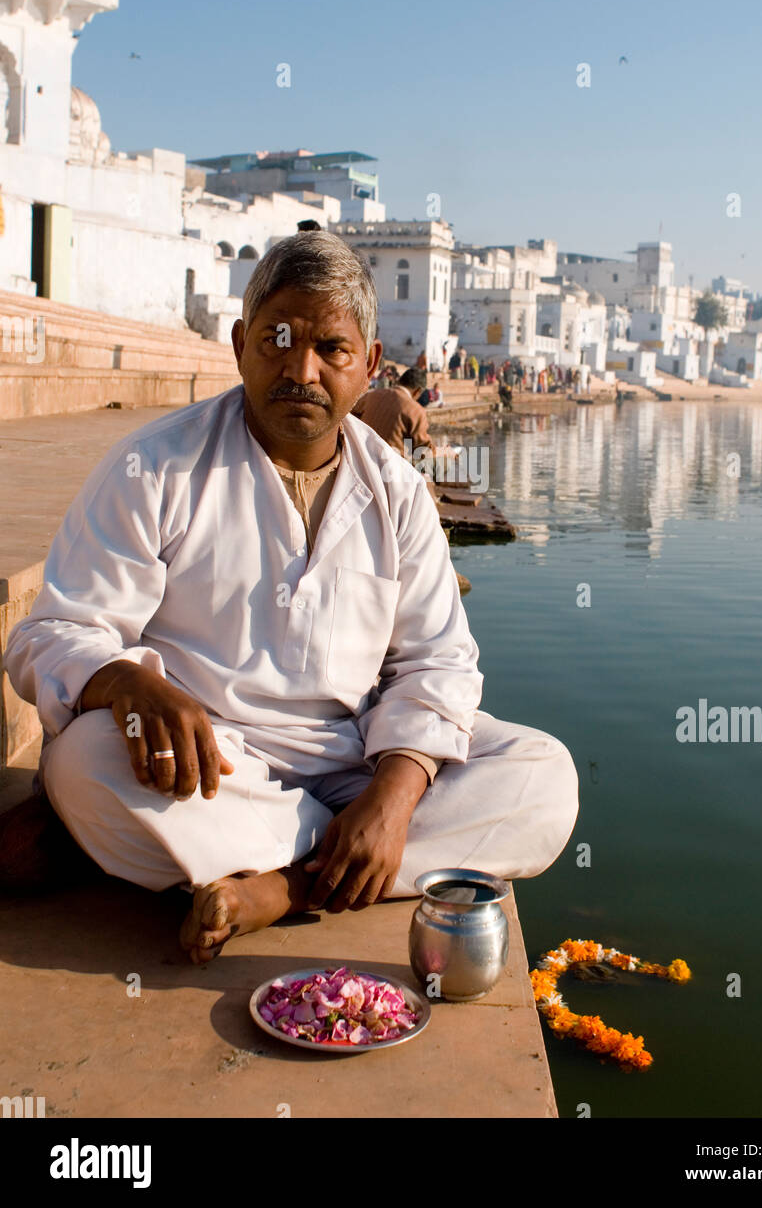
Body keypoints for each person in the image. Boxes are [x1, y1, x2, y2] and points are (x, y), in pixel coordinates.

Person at [4, 232, 578, 963]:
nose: (299, 369)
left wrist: (394, 795)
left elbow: (439, 664)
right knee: (88, 761)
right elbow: (54, 631)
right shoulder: (157, 466)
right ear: (241, 344)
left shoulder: (396, 493)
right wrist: (124, 682)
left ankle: (283, 889)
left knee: (545, 779)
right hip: (209, 764)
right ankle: (335, 864)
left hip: (353, 762)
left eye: (330, 349)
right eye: (277, 337)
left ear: (368, 365)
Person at [353, 366, 436, 460]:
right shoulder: (416, 410)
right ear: (418, 391)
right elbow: (423, 450)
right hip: (389, 467)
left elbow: (350, 419)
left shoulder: (370, 396)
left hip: (359, 458)